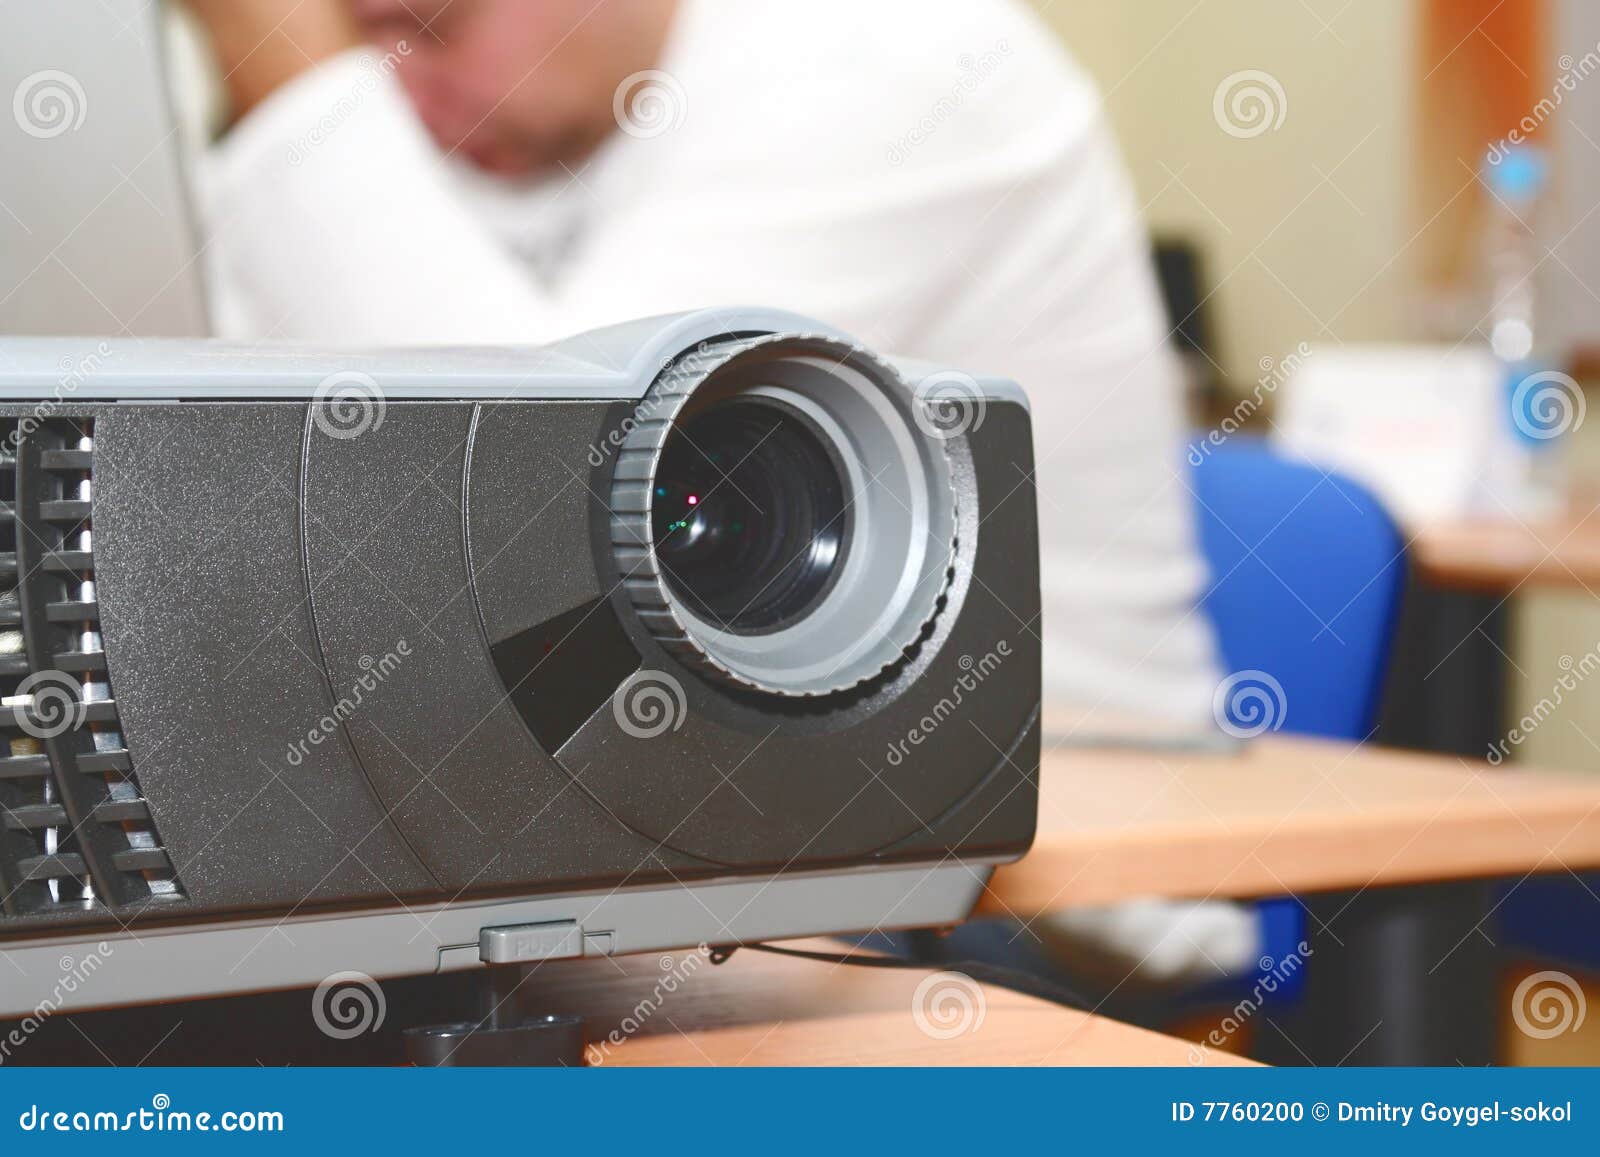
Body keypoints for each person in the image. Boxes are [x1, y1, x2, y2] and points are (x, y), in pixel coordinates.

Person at [181, 0, 1219, 729]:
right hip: (700, 788)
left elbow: (530, 518)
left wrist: (295, 85)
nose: (396, 94)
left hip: (1066, 873)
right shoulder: (531, 125)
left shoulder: (900, 54)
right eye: (360, 50)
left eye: (429, 21)